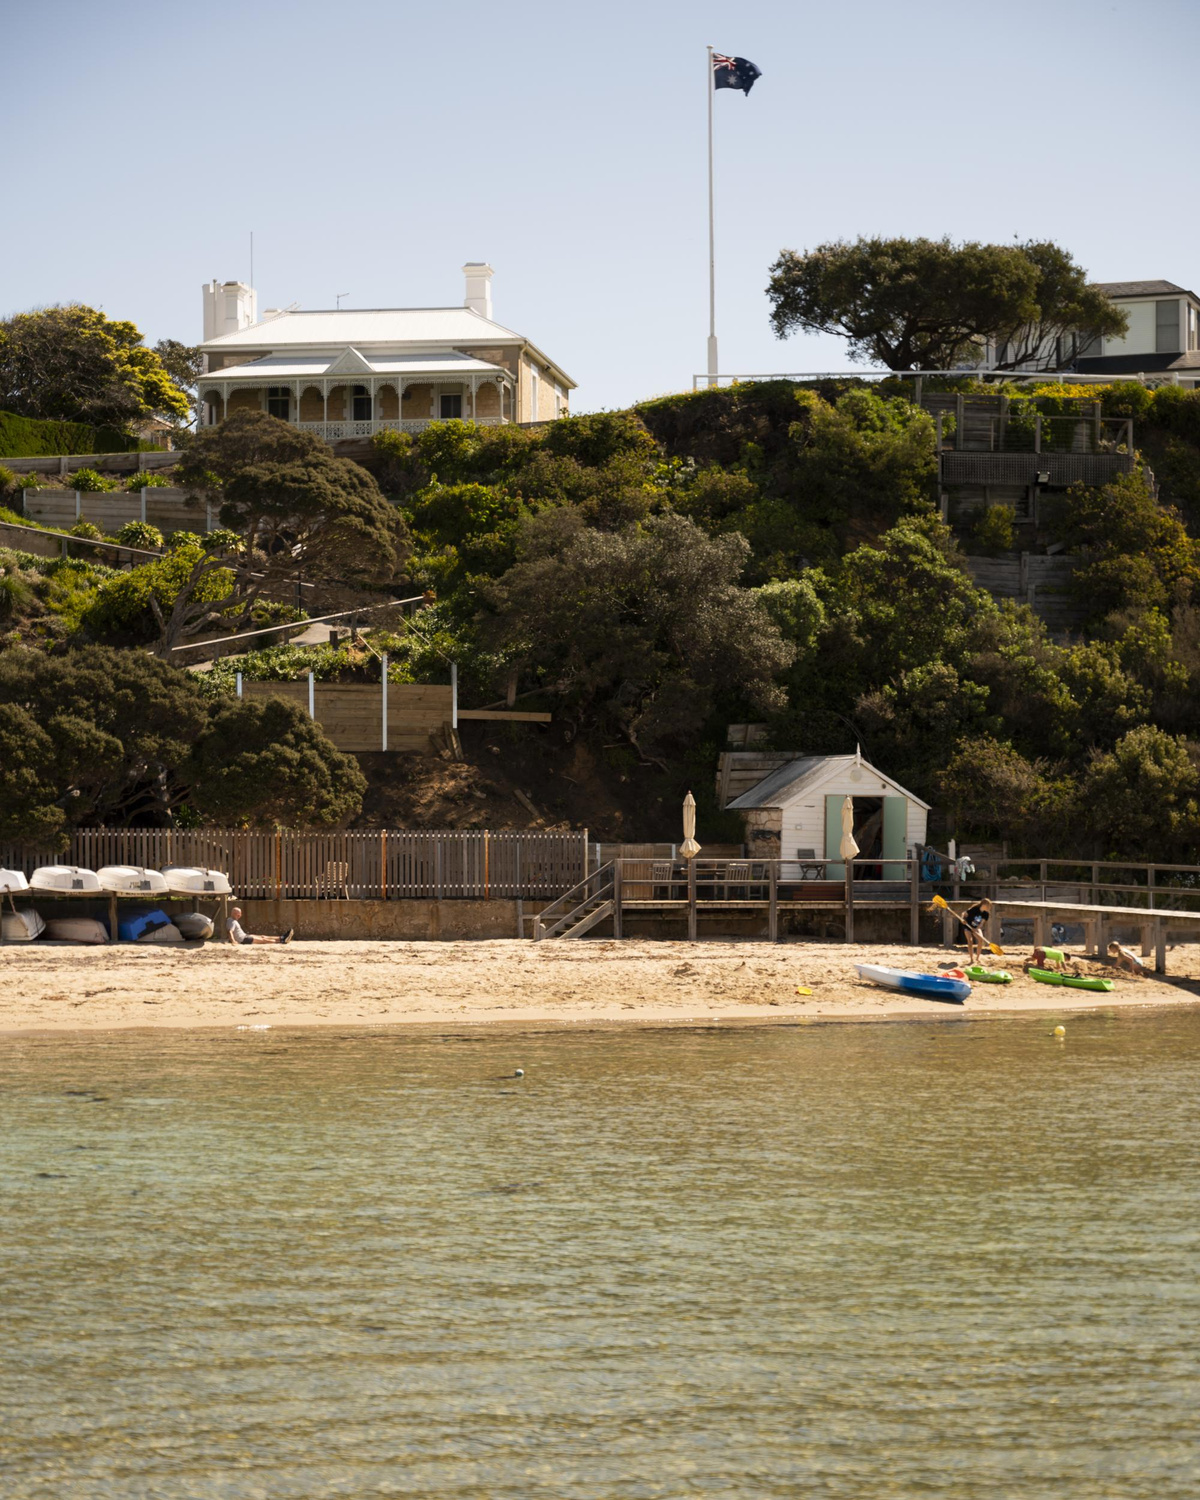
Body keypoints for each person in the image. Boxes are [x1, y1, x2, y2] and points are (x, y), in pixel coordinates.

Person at [226, 907, 293, 946]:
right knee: (263, 940)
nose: (239, 916)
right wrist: (233, 941)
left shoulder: (232, 920)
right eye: (238, 915)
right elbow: (230, 931)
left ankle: (282, 938)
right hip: (243, 939)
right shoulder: (232, 921)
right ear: (234, 913)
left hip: (245, 936)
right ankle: (281, 941)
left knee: (262, 936)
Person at [960, 897, 992, 964]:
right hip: (967, 926)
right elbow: (964, 913)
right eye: (988, 905)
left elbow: (981, 923)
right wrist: (962, 919)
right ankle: (971, 959)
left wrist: (976, 929)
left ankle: (977, 958)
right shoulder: (974, 909)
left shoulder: (986, 914)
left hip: (976, 927)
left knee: (980, 939)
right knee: (970, 941)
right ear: (984, 904)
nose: (989, 907)